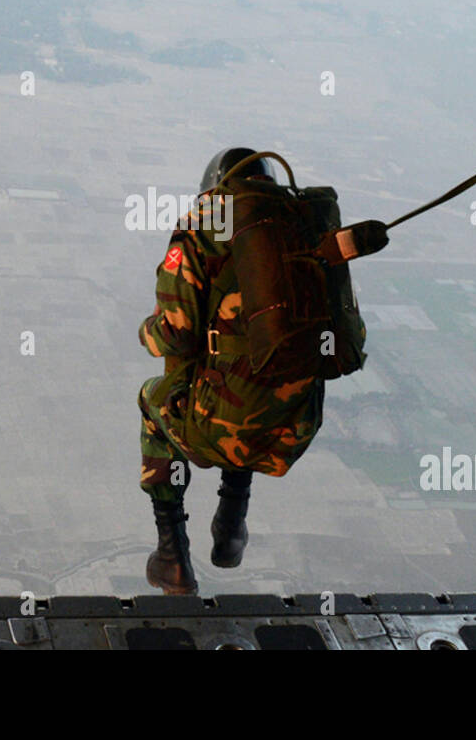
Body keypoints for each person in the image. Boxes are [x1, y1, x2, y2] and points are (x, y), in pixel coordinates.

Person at [136, 148, 332, 595]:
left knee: (153, 402)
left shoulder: (204, 227)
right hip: (292, 430)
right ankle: (230, 524)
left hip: (225, 429)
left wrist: (145, 331)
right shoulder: (304, 226)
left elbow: (174, 335)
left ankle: (172, 557)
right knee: (251, 377)